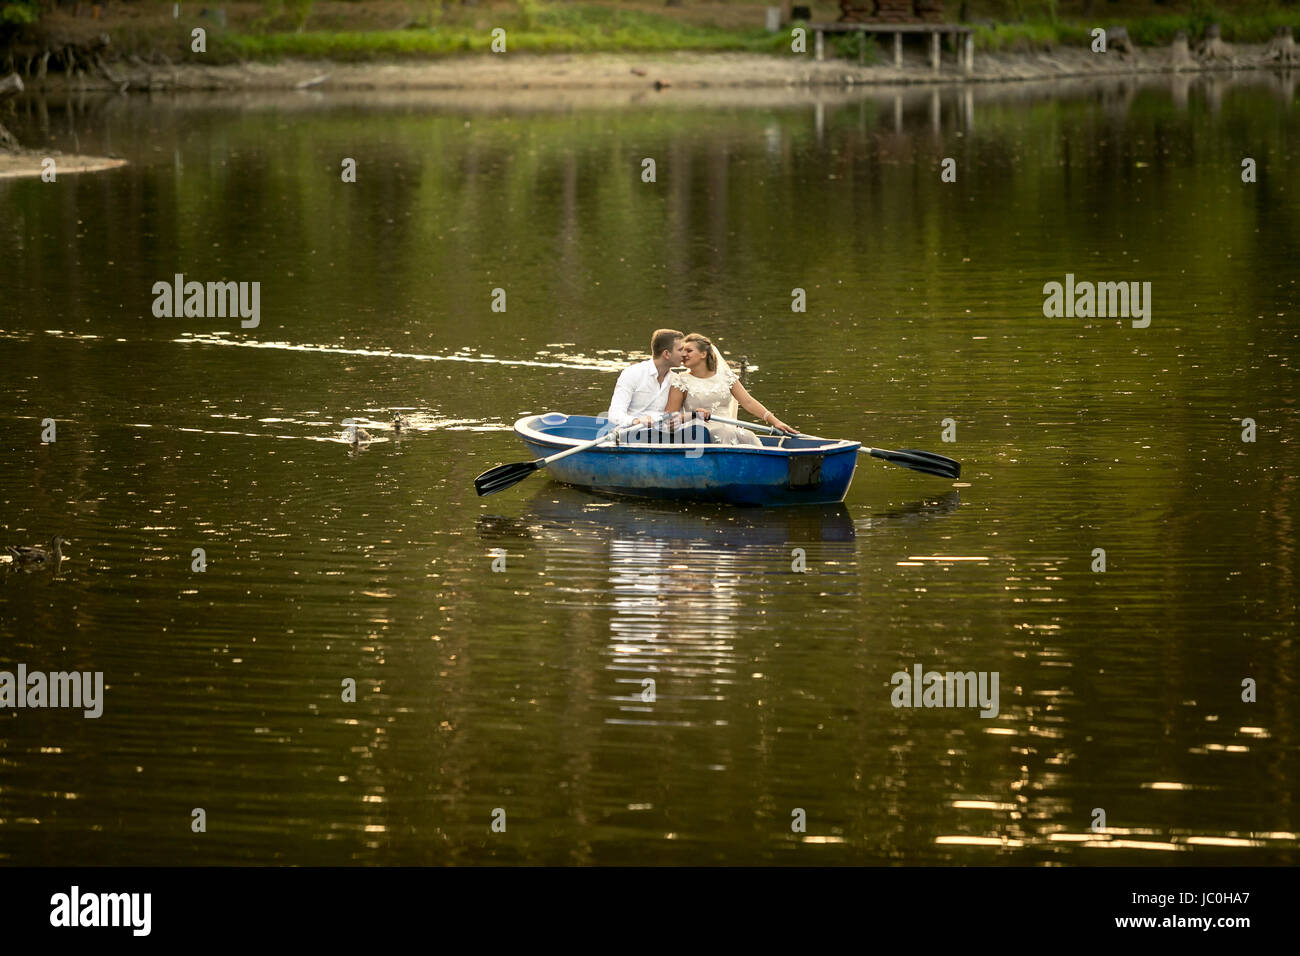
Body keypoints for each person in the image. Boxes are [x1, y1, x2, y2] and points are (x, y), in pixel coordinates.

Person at [664, 332, 796, 446]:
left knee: (748, 436)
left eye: (689, 351)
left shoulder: (727, 377)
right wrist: (693, 415)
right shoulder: (681, 381)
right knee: (724, 433)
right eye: (682, 351)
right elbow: (669, 418)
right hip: (699, 433)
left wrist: (775, 422)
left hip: (729, 428)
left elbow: (748, 402)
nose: (683, 354)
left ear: (703, 354)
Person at [604, 329, 685, 428]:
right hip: (631, 433)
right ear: (666, 354)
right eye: (680, 350)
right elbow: (614, 414)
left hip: (662, 435)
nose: (684, 354)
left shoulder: (676, 380)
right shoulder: (632, 373)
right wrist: (636, 421)